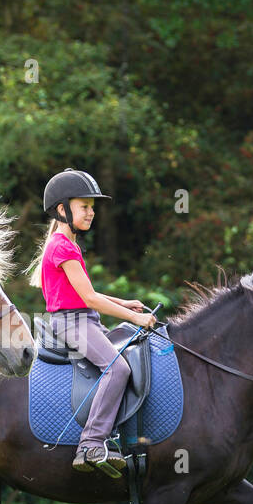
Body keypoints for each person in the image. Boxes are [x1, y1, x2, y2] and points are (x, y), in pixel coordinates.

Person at [29, 169, 157, 476]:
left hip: (83, 318)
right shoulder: (62, 247)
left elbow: (87, 294)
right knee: (118, 368)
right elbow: (88, 298)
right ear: (63, 209)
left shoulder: (67, 245)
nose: (91, 212)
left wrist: (123, 302)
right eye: (84, 206)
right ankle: (91, 444)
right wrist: (136, 317)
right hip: (73, 322)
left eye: (92, 207)